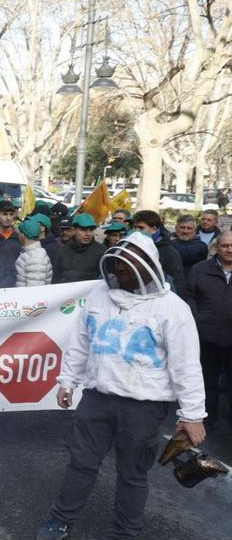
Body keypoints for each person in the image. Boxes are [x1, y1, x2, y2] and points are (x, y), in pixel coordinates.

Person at [36, 234, 206, 540]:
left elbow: (186, 365)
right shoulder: (100, 294)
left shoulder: (172, 309)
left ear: (148, 267)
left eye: (127, 266)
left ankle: (125, 533)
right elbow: (81, 341)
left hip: (143, 407)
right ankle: (59, 522)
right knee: (80, 463)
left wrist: (192, 414)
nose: (119, 270)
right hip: (96, 398)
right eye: (117, 265)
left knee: (132, 474)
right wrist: (67, 381)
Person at [181, 230, 232, 429]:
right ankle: (206, 421)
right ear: (217, 248)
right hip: (206, 337)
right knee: (206, 382)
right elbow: (188, 296)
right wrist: (197, 318)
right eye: (225, 245)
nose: (229, 249)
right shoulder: (200, 269)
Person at [130, 210, 185, 289]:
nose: (136, 232)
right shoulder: (131, 248)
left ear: (154, 229)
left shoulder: (169, 253)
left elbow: (177, 283)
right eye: (134, 227)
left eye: (141, 228)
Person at [51, 214, 105, 283]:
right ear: (74, 230)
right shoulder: (63, 250)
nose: (88, 234)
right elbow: (56, 277)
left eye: (91, 230)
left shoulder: (101, 251)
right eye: (83, 229)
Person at [15, 218, 54, 287]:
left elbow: (35, 288)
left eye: (19, 232)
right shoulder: (31, 253)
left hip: (27, 297)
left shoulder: (35, 257)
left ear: (23, 235)